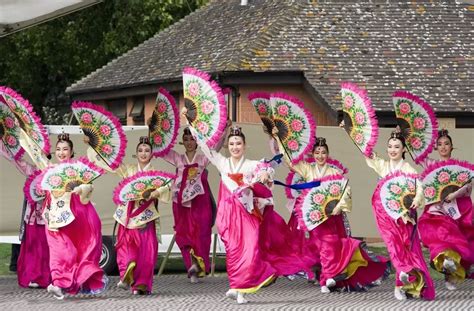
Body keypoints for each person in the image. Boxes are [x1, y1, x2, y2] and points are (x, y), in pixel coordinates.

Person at [273, 131, 388, 293]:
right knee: (320, 248)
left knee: (330, 245)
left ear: (328, 154)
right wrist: (279, 139)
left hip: (331, 217)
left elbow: (345, 191)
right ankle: (327, 277)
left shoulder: (334, 172)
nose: (320, 155)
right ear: (313, 154)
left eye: (323, 152)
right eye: (317, 152)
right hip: (314, 218)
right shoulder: (308, 169)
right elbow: (290, 162)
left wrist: (338, 207)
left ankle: (327, 278)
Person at [190, 122, 278, 304]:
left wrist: (264, 175)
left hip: (247, 214)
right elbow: (205, 147)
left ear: (245, 146)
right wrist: (191, 124)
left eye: (238, 143)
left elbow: (267, 168)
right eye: (231, 144)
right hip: (228, 214)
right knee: (233, 250)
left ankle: (239, 288)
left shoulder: (252, 165)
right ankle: (237, 287)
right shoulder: (222, 162)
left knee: (250, 247)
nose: (235, 147)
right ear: (227, 146)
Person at [21, 133, 107, 300]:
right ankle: (59, 283)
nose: (61, 152)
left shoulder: (77, 168)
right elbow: (35, 154)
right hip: (53, 217)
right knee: (58, 251)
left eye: (65, 149)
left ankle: (66, 282)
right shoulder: (50, 169)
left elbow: (89, 184)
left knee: (74, 252)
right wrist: (24, 135)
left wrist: (81, 189)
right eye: (58, 149)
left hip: (75, 215)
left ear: (72, 151)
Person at [88, 136, 171, 295]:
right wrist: (94, 146)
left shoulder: (155, 174)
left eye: (147, 150)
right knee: (125, 248)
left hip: (145, 217)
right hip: (127, 217)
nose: (143, 153)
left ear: (152, 154)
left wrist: (155, 192)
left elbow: (166, 188)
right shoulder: (129, 169)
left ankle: (141, 284)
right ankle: (127, 274)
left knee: (146, 251)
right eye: (140, 150)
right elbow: (111, 165)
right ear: (136, 154)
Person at [364, 130, 435, 301]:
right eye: (389, 147)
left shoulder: (408, 169)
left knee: (407, 248)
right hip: (386, 214)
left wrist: (417, 199)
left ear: (404, 149)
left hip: (405, 215)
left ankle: (404, 283)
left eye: (397, 147)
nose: (392, 150)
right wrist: (350, 130)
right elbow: (368, 154)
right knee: (393, 246)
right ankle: (401, 275)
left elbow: (419, 188)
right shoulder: (384, 165)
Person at [418, 129, 474, 290]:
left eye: (446, 144)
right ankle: (447, 272)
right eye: (440, 144)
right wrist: (403, 135)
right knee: (442, 239)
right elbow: (418, 155)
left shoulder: (459, 168)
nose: (443, 147)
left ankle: (452, 273)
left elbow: (468, 185)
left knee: (462, 242)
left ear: (451, 147)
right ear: (435, 147)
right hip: (438, 211)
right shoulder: (431, 165)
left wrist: (454, 194)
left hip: (458, 210)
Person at [160, 128, 215, 283]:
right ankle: (191, 266)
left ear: (196, 142)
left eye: (192, 139)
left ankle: (199, 265)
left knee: (202, 234)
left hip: (200, 202)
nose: (189, 142)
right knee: (184, 234)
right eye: (186, 139)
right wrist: (154, 131)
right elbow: (161, 149)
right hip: (181, 204)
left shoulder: (203, 159)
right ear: (182, 141)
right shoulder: (178, 158)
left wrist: (224, 131)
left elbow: (215, 149)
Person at [0, 144, 50, 289]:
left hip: (47, 217)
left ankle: (47, 277)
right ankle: (33, 276)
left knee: (46, 248)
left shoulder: (53, 172)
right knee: (32, 247)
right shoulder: (32, 171)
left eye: (43, 155)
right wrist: (4, 147)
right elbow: (17, 162)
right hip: (32, 217)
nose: (40, 158)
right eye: (37, 156)